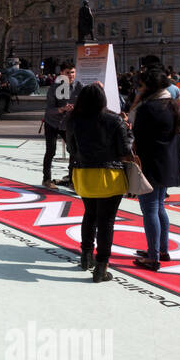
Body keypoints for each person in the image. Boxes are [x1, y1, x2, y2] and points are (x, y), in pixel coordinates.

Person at [65, 83, 133, 283]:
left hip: (84, 174)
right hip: (109, 174)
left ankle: (86, 256)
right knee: (106, 221)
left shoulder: (73, 120)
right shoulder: (114, 120)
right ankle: (102, 266)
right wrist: (129, 131)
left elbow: (71, 148)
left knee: (90, 214)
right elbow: (124, 150)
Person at [130, 67, 180, 270]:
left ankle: (152, 257)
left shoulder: (147, 108)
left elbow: (135, 133)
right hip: (168, 162)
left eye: (142, 86)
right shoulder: (172, 105)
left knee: (150, 209)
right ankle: (162, 249)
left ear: (149, 87)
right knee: (160, 206)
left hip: (150, 163)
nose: (139, 89)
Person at [42, 64, 80, 189]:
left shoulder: (79, 87)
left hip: (68, 124)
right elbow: (49, 110)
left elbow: (88, 98)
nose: (71, 75)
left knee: (73, 151)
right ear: (62, 74)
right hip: (52, 122)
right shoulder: (54, 88)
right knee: (51, 151)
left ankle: (72, 180)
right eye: (68, 72)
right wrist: (62, 109)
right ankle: (46, 179)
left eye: (73, 72)